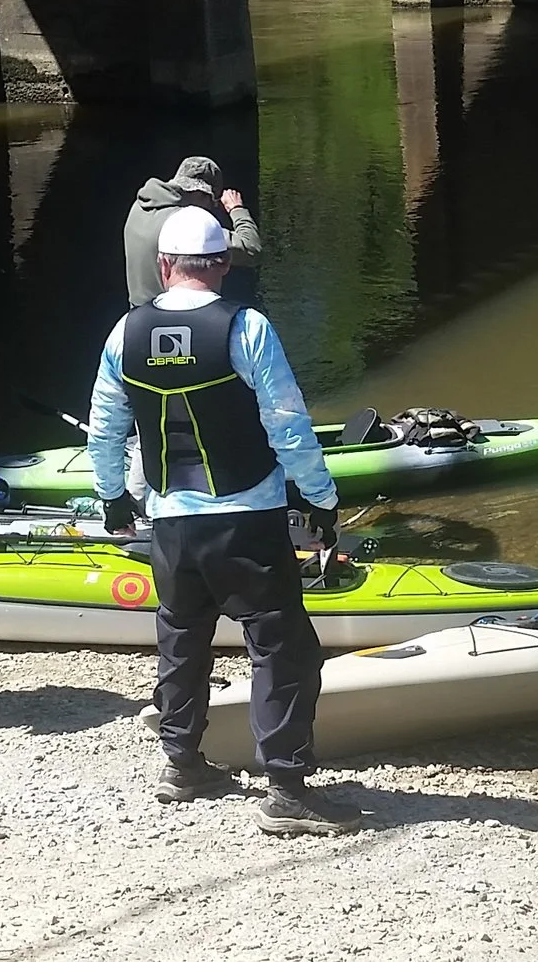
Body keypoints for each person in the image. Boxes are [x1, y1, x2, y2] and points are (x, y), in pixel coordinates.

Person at [87, 207, 355, 836]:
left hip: (169, 523)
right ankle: (286, 787)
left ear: (162, 266)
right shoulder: (247, 326)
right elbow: (286, 423)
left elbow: (106, 428)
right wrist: (319, 496)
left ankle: (183, 764)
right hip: (248, 517)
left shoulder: (125, 331)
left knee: (182, 640)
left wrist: (113, 498)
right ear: (225, 264)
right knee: (282, 648)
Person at [122, 156, 262, 307]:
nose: (211, 209)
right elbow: (251, 249)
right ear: (201, 194)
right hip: (169, 319)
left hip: (137, 319)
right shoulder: (186, 224)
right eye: (213, 202)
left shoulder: (139, 206)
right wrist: (236, 209)